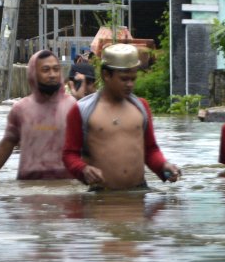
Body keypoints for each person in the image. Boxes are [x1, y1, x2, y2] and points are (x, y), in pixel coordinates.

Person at [62, 43, 181, 190]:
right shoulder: (82, 110)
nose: (130, 84)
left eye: (133, 79)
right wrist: (83, 170)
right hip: (101, 197)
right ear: (106, 75)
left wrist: (163, 166)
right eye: (124, 79)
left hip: (139, 191)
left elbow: (150, 150)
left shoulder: (141, 107)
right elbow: (69, 154)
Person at [0, 49, 75, 181]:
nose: (52, 74)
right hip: (29, 185)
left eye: (56, 69)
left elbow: (87, 145)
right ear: (33, 73)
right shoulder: (20, 109)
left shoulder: (72, 106)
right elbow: (6, 144)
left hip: (66, 184)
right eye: (46, 70)